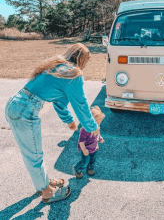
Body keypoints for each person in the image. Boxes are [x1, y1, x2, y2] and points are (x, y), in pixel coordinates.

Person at [4, 43, 99, 203]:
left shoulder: (57, 66)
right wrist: (92, 127)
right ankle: (47, 192)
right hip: (24, 110)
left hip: (17, 105)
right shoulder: (73, 73)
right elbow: (81, 104)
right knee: (34, 154)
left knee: (33, 152)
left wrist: (69, 120)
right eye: (86, 61)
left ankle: (43, 183)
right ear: (82, 60)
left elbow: (59, 102)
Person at [74, 106, 105, 178]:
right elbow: (81, 142)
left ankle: (90, 168)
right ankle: (77, 169)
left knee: (92, 160)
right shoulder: (84, 130)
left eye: (98, 123)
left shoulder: (97, 126)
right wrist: (84, 149)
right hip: (86, 149)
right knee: (84, 162)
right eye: (97, 122)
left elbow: (98, 134)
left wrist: (100, 139)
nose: (98, 124)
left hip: (95, 148)